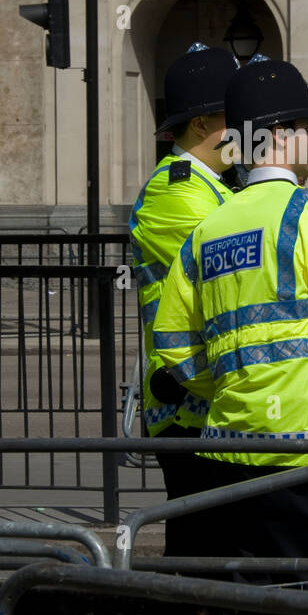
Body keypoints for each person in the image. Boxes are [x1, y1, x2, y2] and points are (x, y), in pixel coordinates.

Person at [151, 58, 308, 571]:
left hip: (227, 455)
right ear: (283, 134)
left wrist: (225, 388)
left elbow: (172, 344)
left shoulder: (211, 226)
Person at [127, 42, 238, 553]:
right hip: (187, 407)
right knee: (198, 556)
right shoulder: (175, 192)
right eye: (236, 117)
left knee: (216, 550)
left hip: (214, 400)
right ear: (201, 125)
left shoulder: (215, 188)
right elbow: (238, 270)